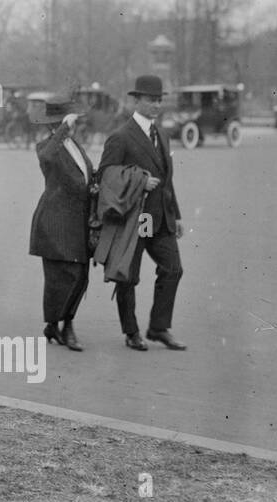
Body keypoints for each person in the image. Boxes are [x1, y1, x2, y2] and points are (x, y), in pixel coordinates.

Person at [97, 74, 187, 351]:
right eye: (150, 100)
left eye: (159, 100)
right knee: (129, 275)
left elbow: (167, 179)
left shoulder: (161, 134)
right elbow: (105, 176)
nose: (156, 105)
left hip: (160, 217)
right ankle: (131, 332)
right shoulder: (121, 137)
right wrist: (138, 180)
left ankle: (159, 328)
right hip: (134, 219)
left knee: (173, 269)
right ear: (136, 101)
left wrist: (177, 214)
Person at [28, 96, 96, 351]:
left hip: (77, 222)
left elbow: (85, 173)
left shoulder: (74, 146)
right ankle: (60, 326)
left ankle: (60, 324)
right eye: (70, 121)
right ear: (56, 124)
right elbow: (47, 158)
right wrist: (63, 130)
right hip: (55, 222)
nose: (75, 125)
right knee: (60, 276)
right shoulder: (47, 145)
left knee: (80, 276)